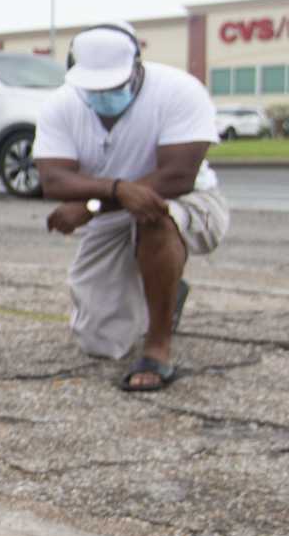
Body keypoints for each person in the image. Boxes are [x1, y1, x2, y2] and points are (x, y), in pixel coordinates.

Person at [33, 22, 228, 392]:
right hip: (111, 209)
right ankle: (168, 286)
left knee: (154, 216)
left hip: (188, 203)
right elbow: (53, 179)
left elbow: (178, 177)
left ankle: (158, 346)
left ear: (138, 66)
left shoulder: (180, 91)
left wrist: (91, 205)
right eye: (94, 87)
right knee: (100, 342)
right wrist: (116, 191)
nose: (103, 94)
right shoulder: (62, 103)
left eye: (113, 85)